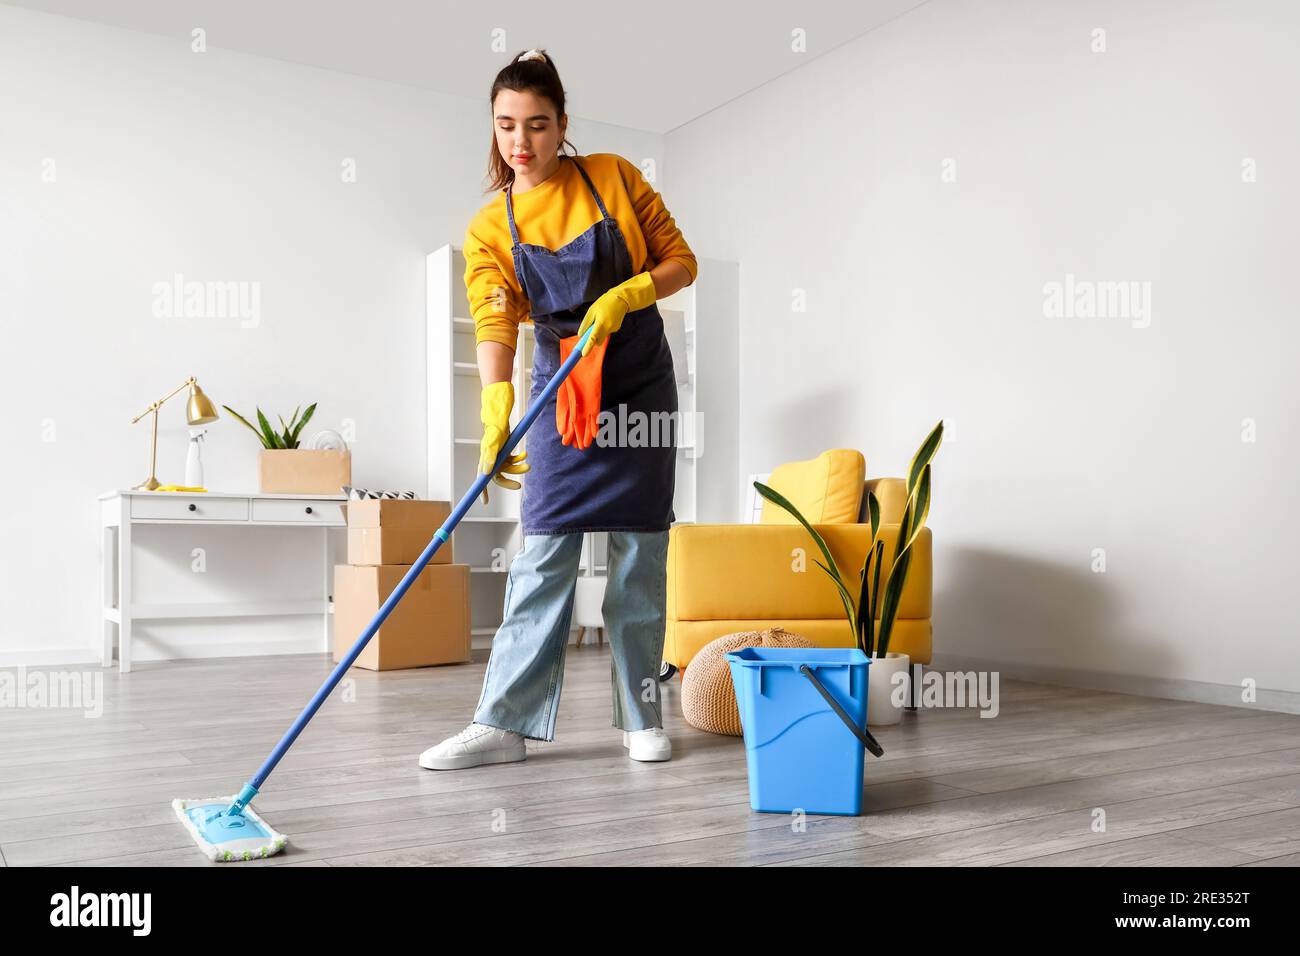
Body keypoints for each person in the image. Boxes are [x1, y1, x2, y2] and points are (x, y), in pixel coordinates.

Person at [419, 48, 697, 770]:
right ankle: (503, 724)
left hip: (638, 380)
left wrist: (632, 292)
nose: (521, 143)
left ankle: (641, 715)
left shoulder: (613, 176)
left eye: (537, 125)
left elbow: (680, 260)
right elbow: (494, 320)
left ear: (562, 124)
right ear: (493, 127)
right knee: (542, 552)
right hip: (560, 382)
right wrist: (495, 405)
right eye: (507, 125)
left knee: (640, 553)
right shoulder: (492, 225)